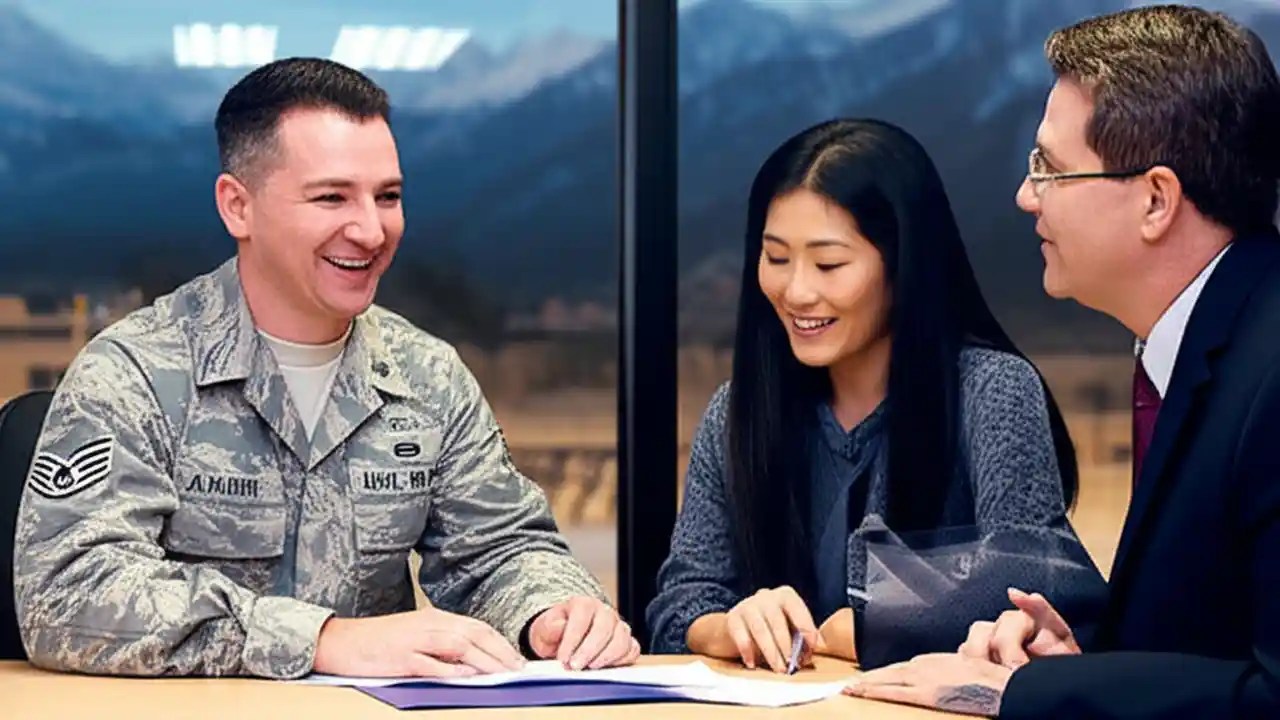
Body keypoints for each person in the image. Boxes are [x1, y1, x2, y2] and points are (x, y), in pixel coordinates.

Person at [13, 57, 638, 680]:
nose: (371, 230)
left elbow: (501, 549)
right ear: (238, 207)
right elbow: (67, 594)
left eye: (387, 197)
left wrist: (549, 610)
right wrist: (321, 641)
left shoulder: (429, 376)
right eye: (332, 197)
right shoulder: (137, 371)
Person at [846, 5, 1280, 718]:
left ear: (1155, 200)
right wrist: (1084, 658)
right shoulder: (1218, 339)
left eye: (1049, 169)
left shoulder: (1269, 376)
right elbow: (1215, 640)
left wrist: (1033, 693)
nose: (1025, 196)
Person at [644, 118, 1107, 673]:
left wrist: (871, 623)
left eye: (830, 264)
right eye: (776, 257)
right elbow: (678, 604)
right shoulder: (736, 411)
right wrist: (733, 625)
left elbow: (1038, 569)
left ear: (904, 264)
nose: (797, 291)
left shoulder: (992, 389)